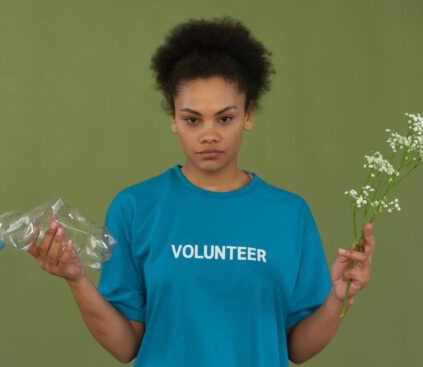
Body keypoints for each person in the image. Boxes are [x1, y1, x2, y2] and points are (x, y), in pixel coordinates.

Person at [27, 15, 376, 367]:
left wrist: (339, 297)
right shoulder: (135, 207)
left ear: (248, 115)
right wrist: (76, 278)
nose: (209, 134)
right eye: (193, 119)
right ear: (174, 119)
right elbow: (125, 346)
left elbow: (297, 349)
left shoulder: (290, 214)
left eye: (224, 118)